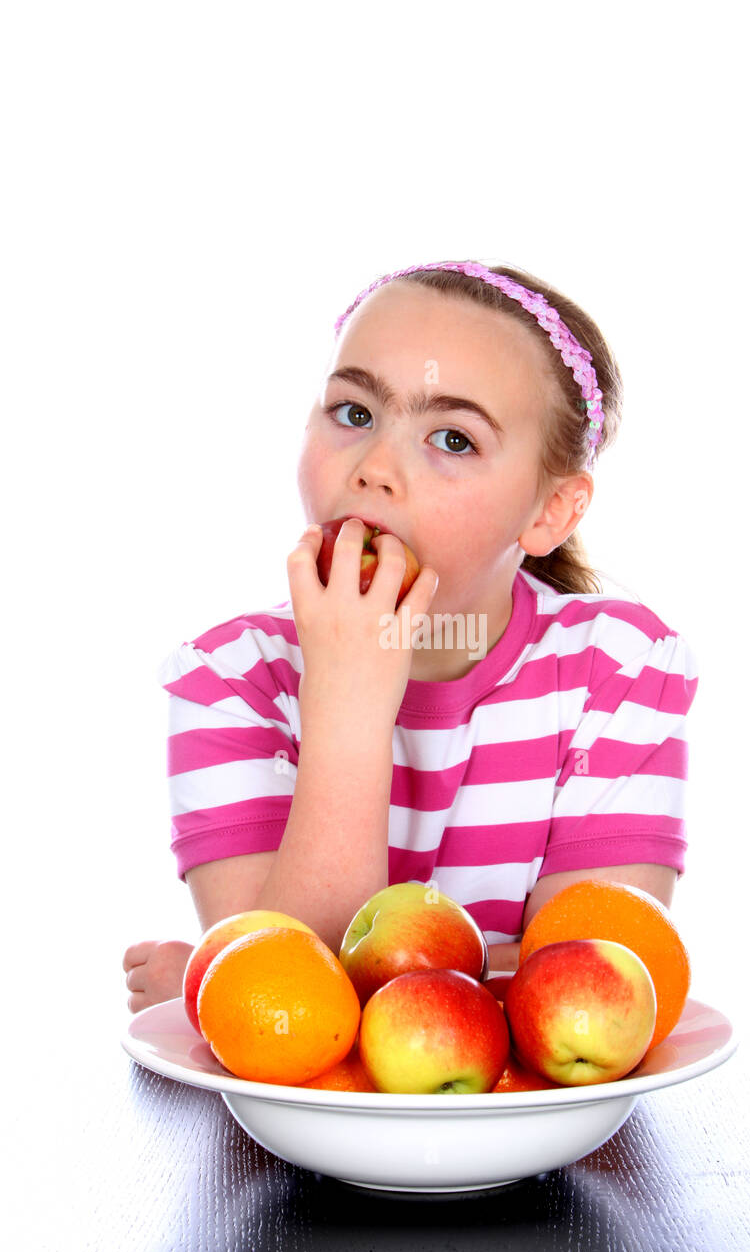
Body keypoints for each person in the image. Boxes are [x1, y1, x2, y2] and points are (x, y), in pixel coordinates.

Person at [124, 259, 698, 1014]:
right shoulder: (227, 680)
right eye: (355, 413)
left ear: (552, 512)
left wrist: (211, 982)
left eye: (453, 439)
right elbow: (289, 1025)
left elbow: (597, 988)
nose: (375, 470)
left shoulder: (623, 671)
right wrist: (348, 704)